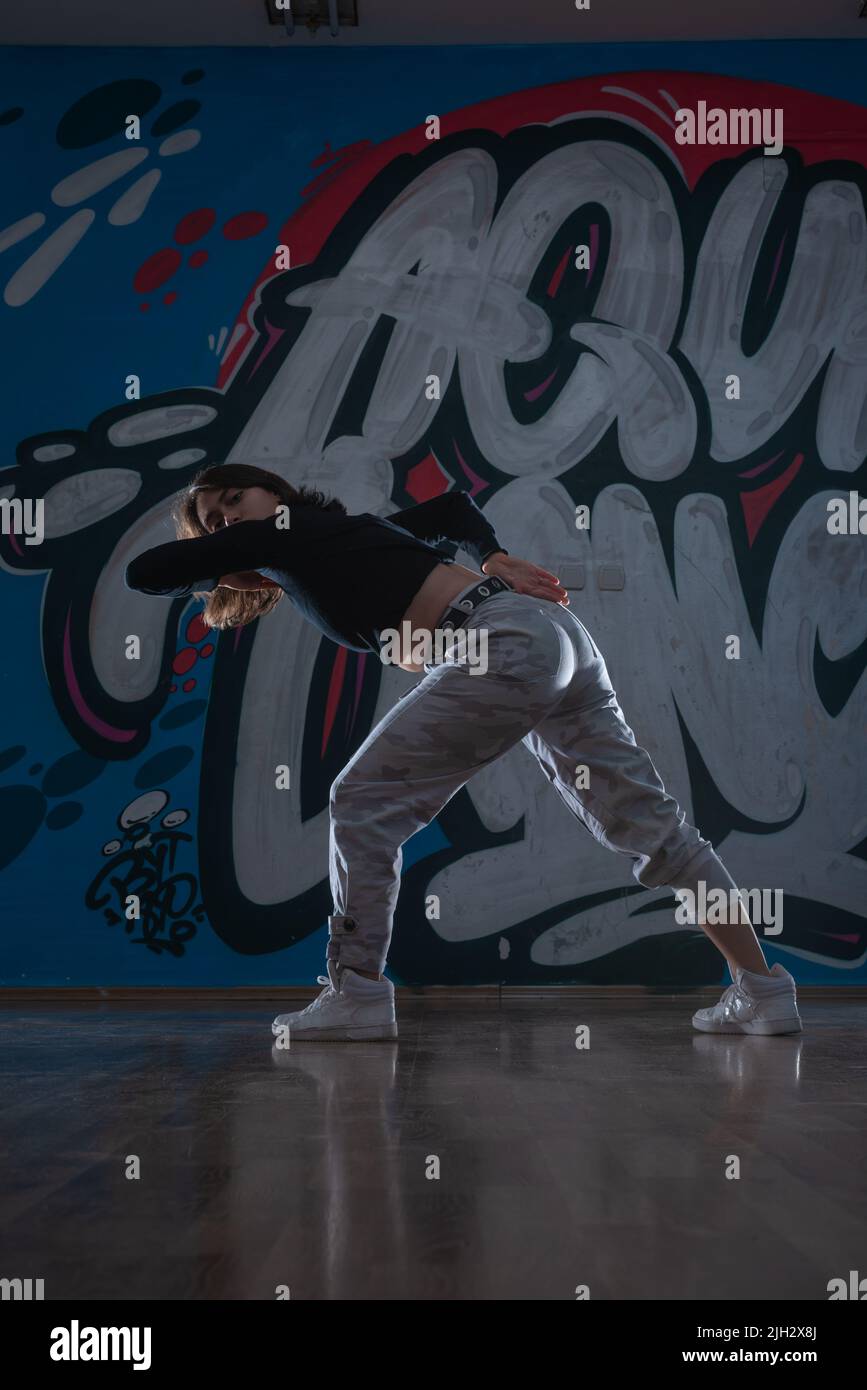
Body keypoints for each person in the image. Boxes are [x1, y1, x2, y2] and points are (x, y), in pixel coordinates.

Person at [125, 462, 802, 1041]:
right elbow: (450, 509)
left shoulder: (295, 529)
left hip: (499, 642)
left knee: (359, 801)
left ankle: (356, 992)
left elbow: (147, 569)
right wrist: (490, 554)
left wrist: (224, 556)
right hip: (549, 639)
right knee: (652, 829)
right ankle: (762, 989)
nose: (223, 524)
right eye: (210, 523)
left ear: (274, 495)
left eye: (231, 504)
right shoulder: (341, 538)